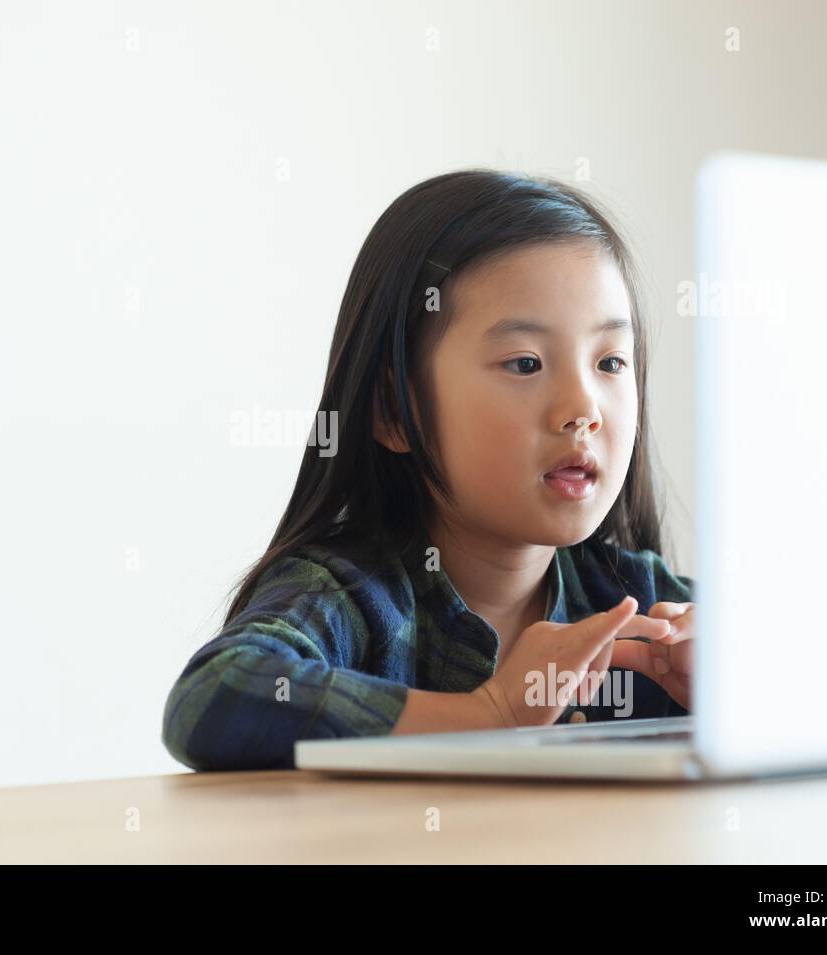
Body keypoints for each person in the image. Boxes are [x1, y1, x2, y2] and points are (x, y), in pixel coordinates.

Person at [162, 169, 696, 771]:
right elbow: (212, 700)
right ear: (395, 412)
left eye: (610, 361)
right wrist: (490, 715)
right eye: (525, 363)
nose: (582, 411)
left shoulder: (642, 603)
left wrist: (743, 687)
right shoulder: (351, 597)